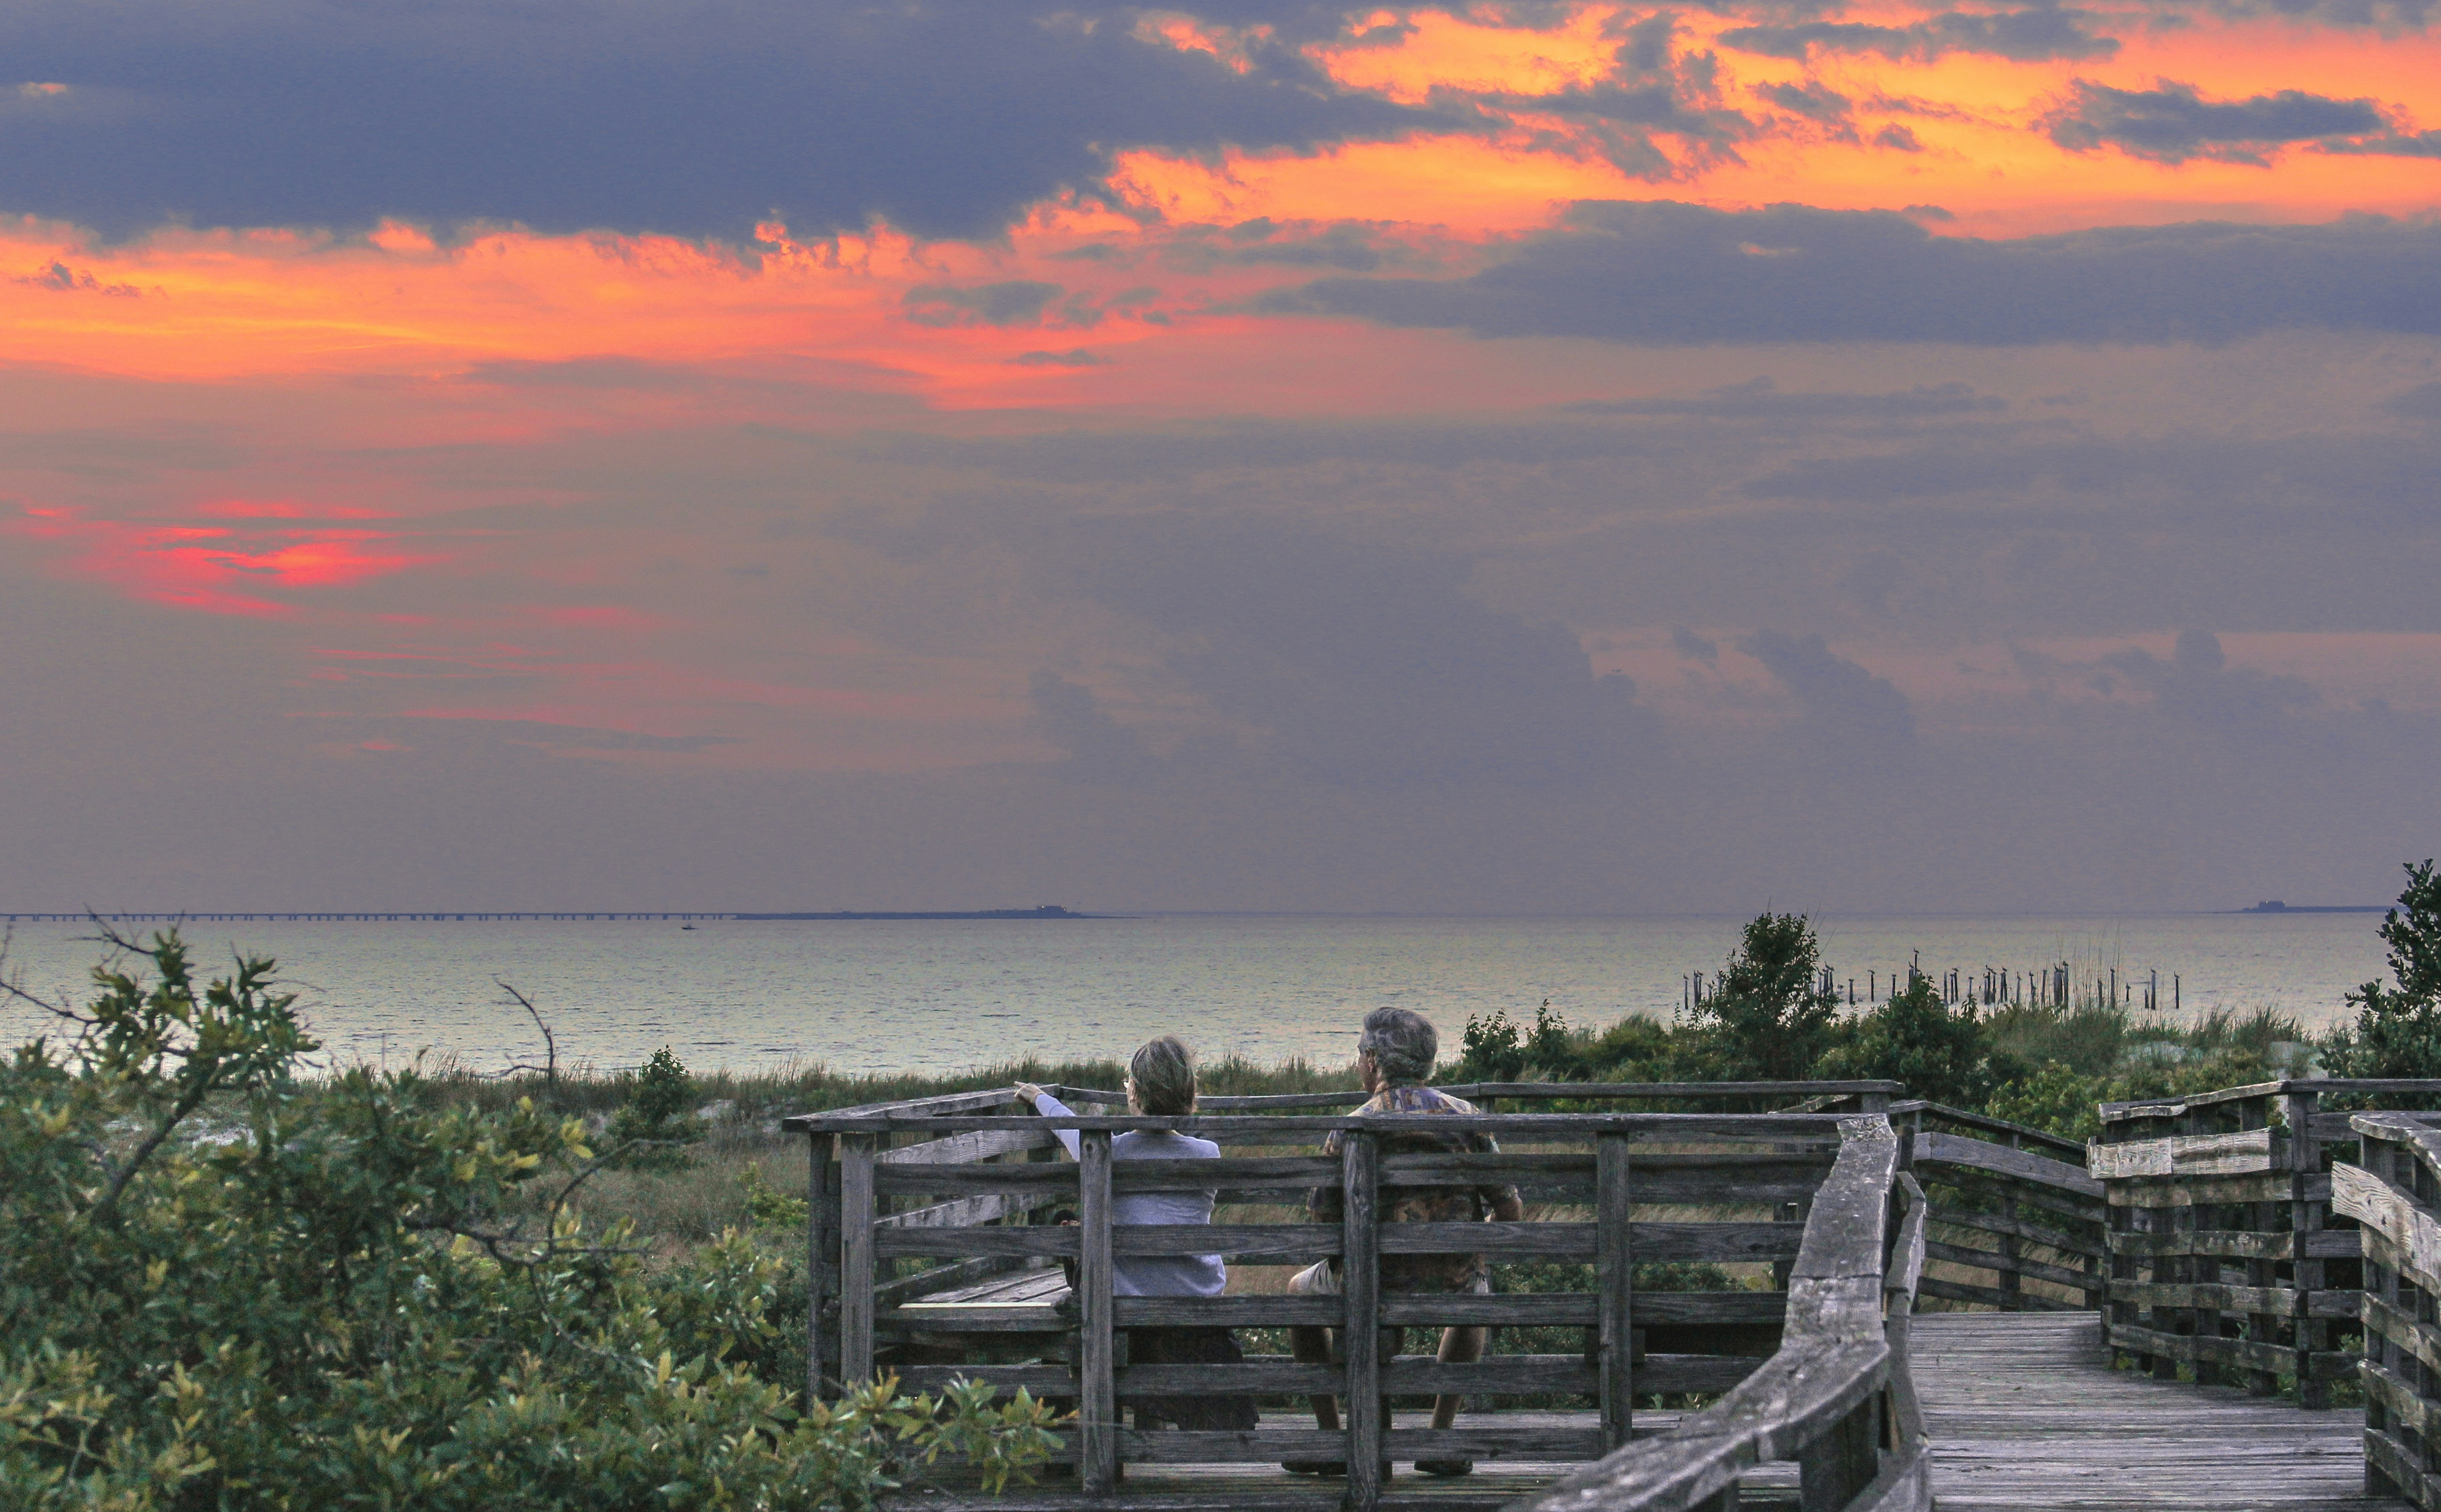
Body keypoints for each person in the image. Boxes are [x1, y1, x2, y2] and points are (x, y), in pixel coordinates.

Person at [1284, 1006, 1525, 1480]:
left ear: (1373, 1061)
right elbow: (1511, 1208)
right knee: (1474, 1284)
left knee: (1298, 1290)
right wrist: (1469, 1247)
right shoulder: (1467, 1118)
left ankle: (1335, 1436)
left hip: (1369, 1281)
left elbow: (1320, 1214)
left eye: (1360, 1053)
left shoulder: (1352, 1126)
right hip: (1451, 1282)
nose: (1358, 1061)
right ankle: (1438, 1437)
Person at [1015, 1037, 1257, 1434]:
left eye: (1129, 1082)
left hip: (1127, 1305)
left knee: (1070, 1227)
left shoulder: (1109, 1150)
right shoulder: (1208, 1154)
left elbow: (1067, 1127)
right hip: (1195, 1300)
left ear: (1138, 1094)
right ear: (1187, 1095)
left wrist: (1039, 1097)